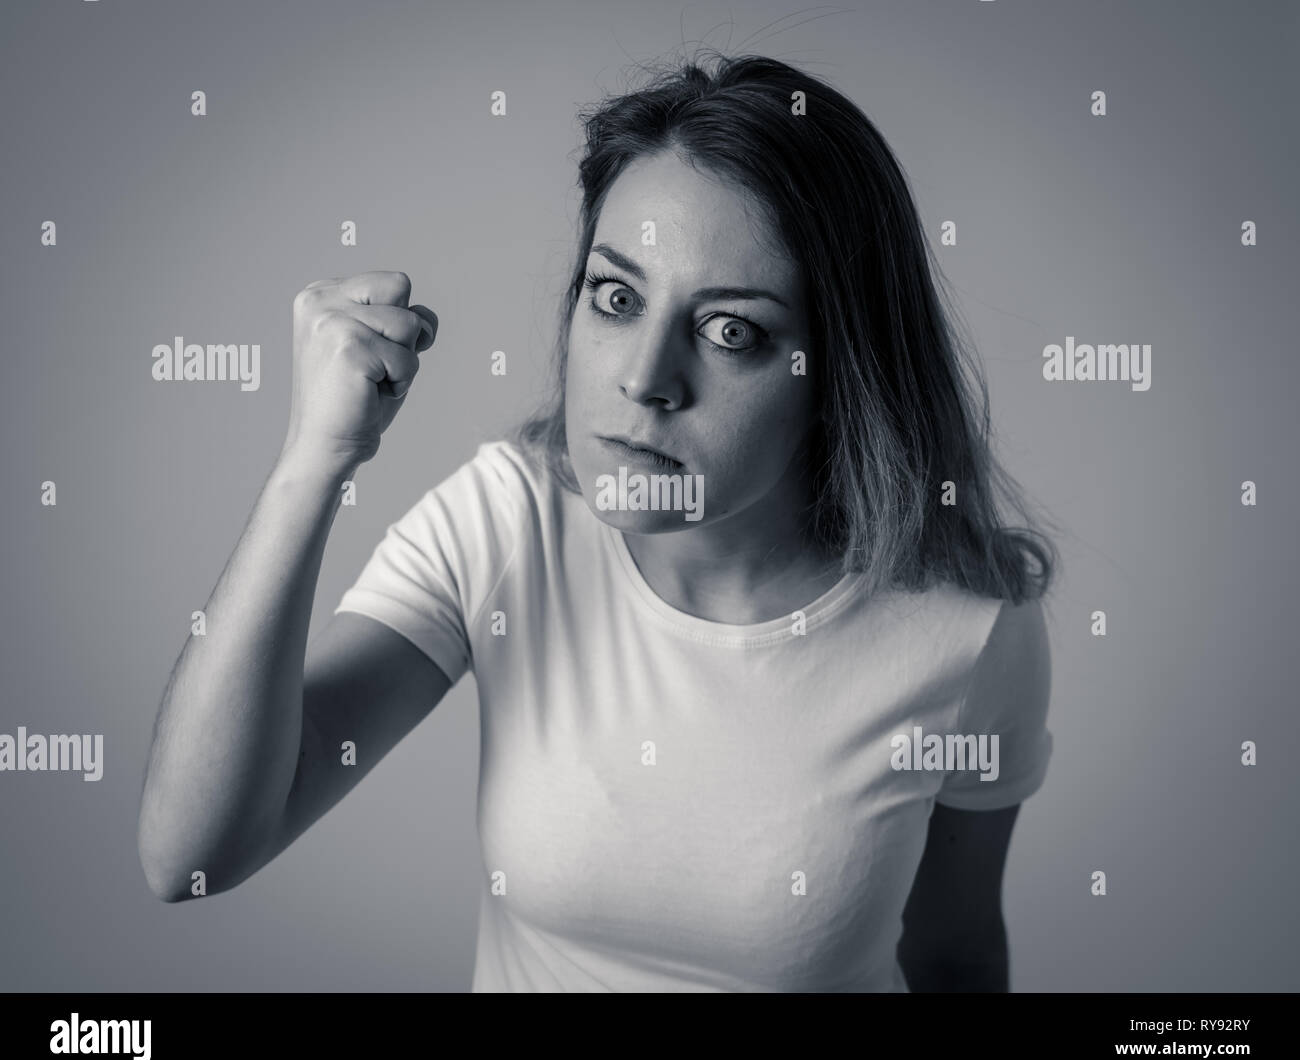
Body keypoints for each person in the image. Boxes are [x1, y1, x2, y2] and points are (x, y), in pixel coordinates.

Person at [138, 50, 1059, 993]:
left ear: (835, 378)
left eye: (731, 329)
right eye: (616, 297)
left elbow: (954, 954)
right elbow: (190, 855)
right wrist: (314, 461)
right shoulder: (508, 521)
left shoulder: (965, 624)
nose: (643, 378)